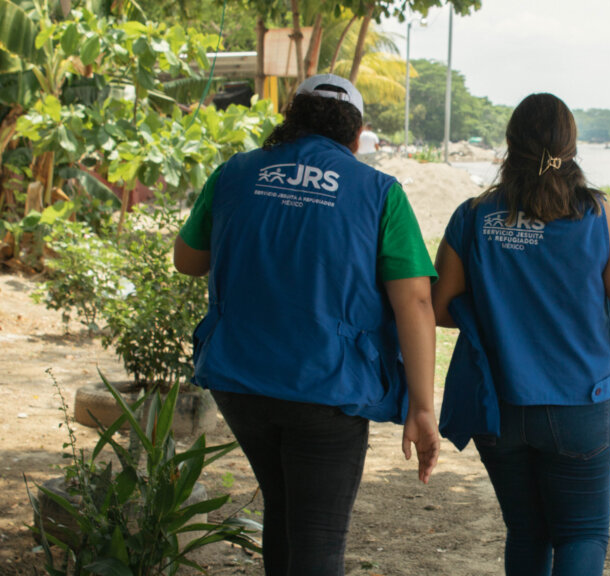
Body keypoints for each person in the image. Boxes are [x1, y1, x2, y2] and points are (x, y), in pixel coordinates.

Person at [173, 73, 440, 576]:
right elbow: (417, 303)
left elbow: (188, 260)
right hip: (327, 389)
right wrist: (422, 408)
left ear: (289, 119)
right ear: (356, 135)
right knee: (317, 538)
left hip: (241, 380)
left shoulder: (234, 173)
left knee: (286, 512)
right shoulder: (378, 191)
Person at [431, 93, 610, 576]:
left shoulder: (474, 215)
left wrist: (496, 315)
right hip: (580, 404)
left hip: (499, 406)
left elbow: (439, 307)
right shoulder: (598, 216)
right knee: (581, 534)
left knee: (527, 532)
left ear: (510, 146)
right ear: (570, 145)